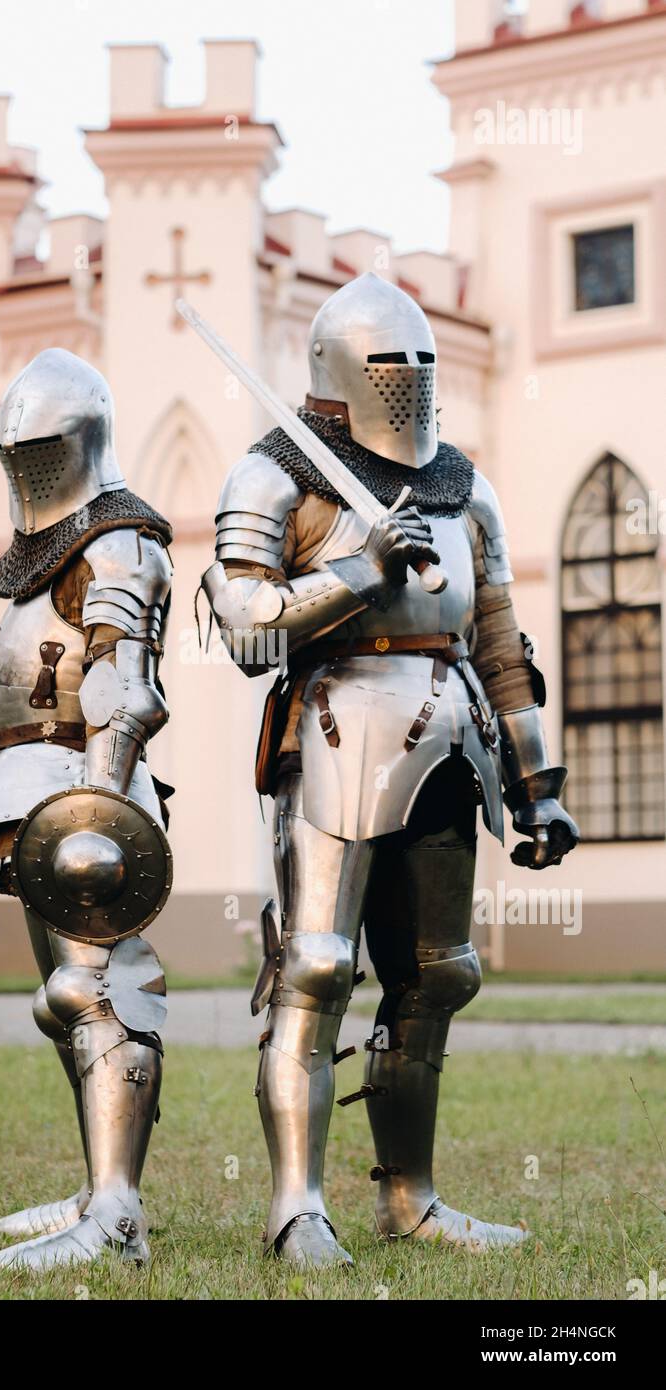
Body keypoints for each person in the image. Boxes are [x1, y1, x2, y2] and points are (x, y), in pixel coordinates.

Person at [201, 273, 579, 1266]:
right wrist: (356, 570)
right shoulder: (275, 475)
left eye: (418, 361)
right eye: (385, 362)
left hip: (453, 736)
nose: (405, 379)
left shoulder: (465, 483)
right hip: (334, 728)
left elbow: (497, 637)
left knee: (436, 973)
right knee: (317, 966)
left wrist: (537, 779)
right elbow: (242, 627)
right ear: (335, 372)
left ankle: (406, 1196)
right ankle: (296, 1208)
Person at [0, 349, 174, 1269]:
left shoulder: (119, 543)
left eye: (40, 450)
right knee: (62, 999)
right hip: (30, 788)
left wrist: (101, 813)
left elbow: (126, 690)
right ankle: (94, 1189)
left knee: (102, 989)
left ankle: (116, 1218)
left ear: (82, 444)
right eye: (15, 453)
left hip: (84, 790)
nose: (26, 469)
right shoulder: (51, 552)